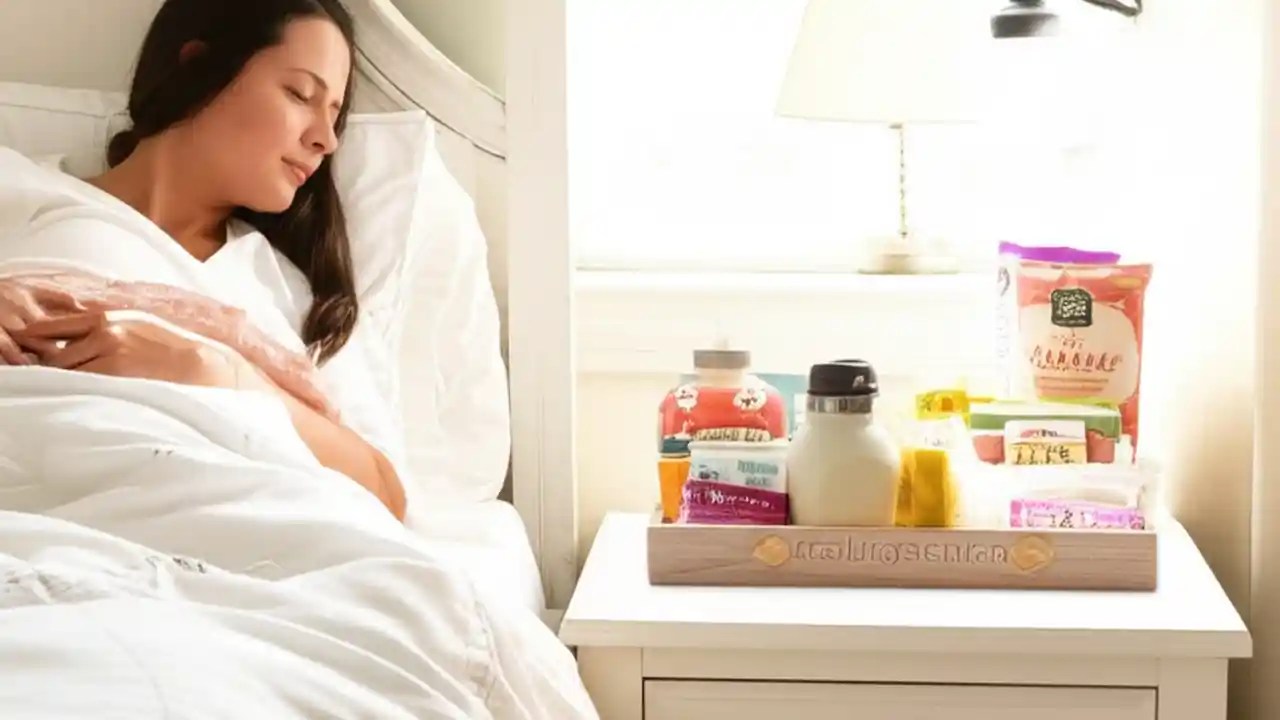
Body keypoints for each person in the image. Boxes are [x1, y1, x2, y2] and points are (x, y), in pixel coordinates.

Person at [0, 0, 406, 520]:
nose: (324, 139)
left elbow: (385, 493)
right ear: (198, 68)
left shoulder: (294, 296)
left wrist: (212, 368)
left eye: (334, 115)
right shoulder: (18, 189)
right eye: (301, 94)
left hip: (203, 519)